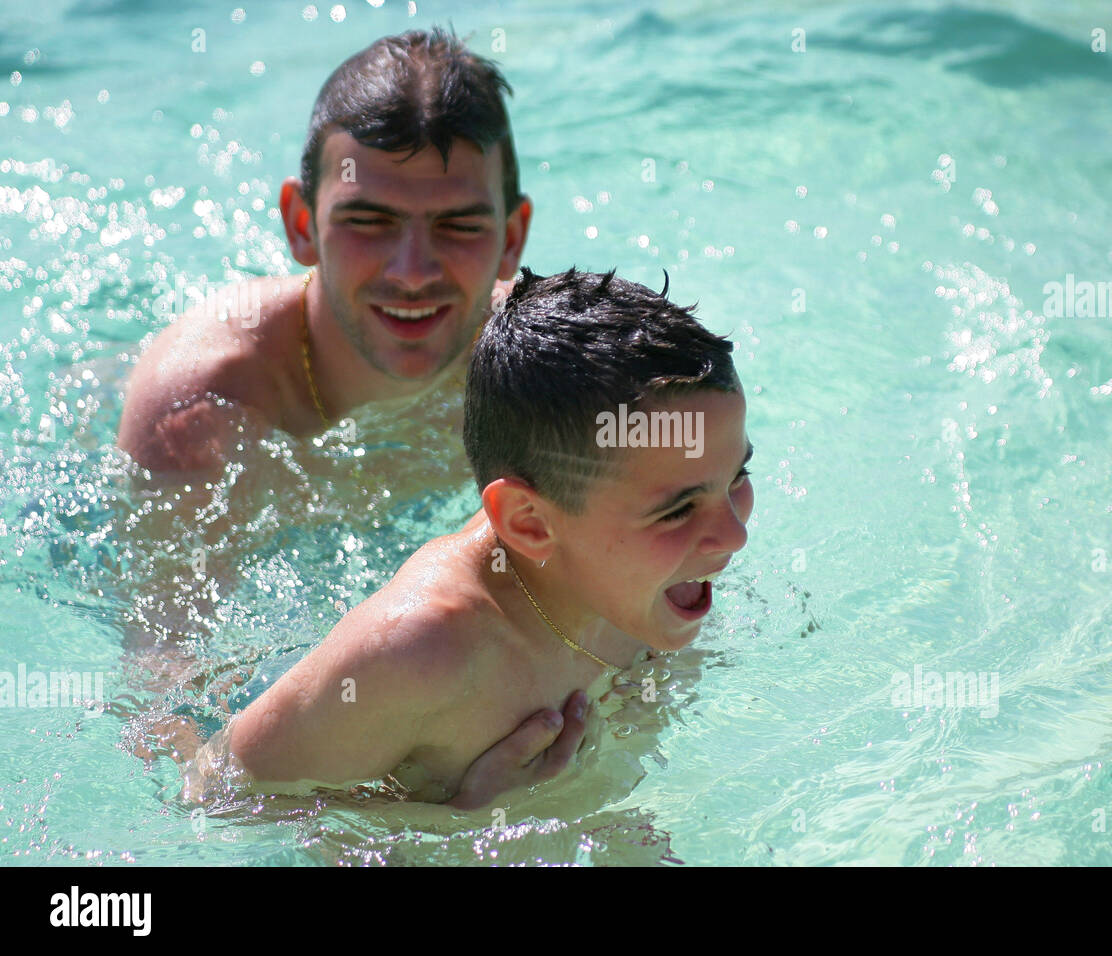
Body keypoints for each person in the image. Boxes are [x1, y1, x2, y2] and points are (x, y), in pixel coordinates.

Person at [121, 27, 586, 811]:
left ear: (512, 238)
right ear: (301, 224)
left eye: (459, 225)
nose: (412, 272)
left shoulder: (537, 383)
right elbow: (166, 731)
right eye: (368, 219)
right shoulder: (205, 409)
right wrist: (419, 814)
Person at [203, 268, 753, 809]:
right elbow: (212, 798)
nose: (734, 533)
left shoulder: (648, 572)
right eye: (679, 510)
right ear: (530, 524)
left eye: (737, 478)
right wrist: (457, 824)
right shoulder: (417, 655)